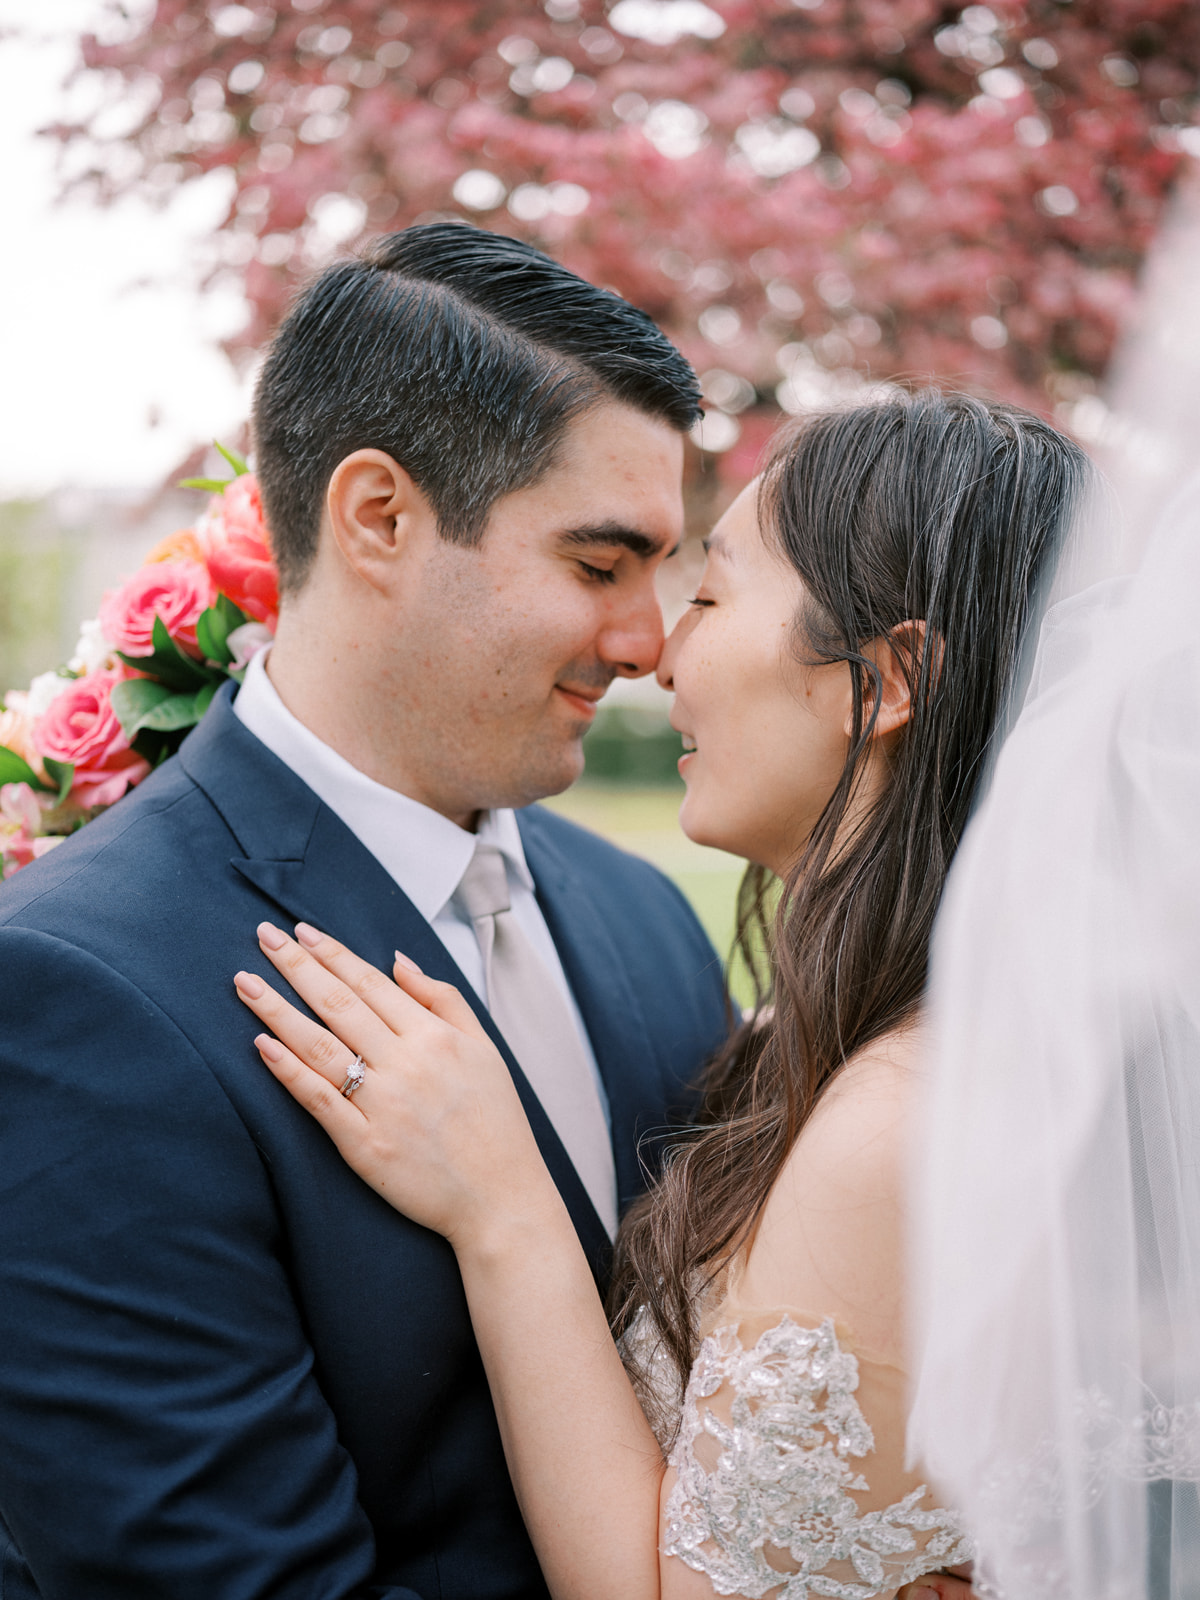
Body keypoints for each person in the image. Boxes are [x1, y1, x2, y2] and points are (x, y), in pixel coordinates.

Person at [234, 390, 1090, 1599]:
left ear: (884, 680)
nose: (657, 650)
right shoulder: (901, 1042)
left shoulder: (902, 1125)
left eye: (706, 594)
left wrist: (504, 1207)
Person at [0, 224, 730, 1598]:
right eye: (599, 563)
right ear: (380, 517)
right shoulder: (74, 991)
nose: (650, 642)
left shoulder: (650, 923)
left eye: (663, 568)